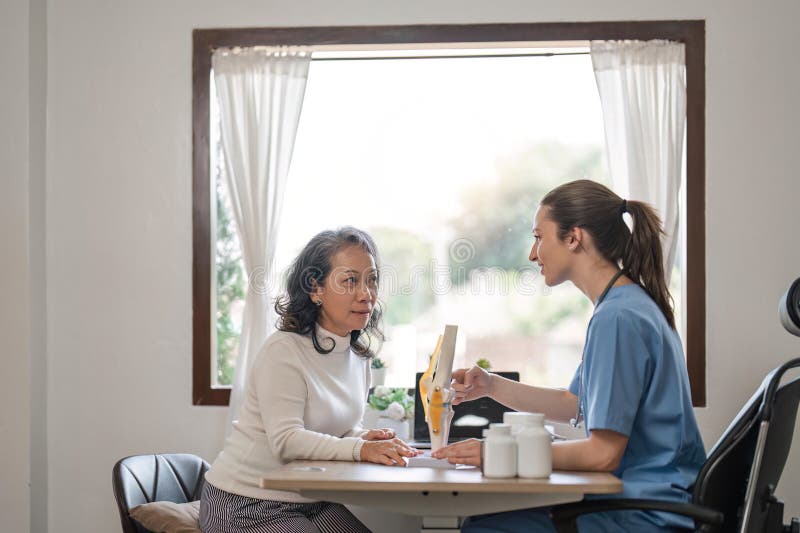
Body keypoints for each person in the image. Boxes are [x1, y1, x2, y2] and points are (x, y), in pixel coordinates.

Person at [432, 180, 706, 532]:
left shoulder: (618, 318)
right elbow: (573, 402)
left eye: (538, 237)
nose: (533, 254)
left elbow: (603, 454)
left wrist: (497, 453)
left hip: (644, 516)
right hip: (645, 502)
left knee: (484, 527)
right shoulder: (625, 306)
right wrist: (490, 385)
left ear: (573, 237)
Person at [200, 227, 422, 533]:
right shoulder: (284, 350)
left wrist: (363, 437)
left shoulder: (356, 356)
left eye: (371, 280)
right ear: (315, 289)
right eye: (350, 280)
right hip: (246, 502)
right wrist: (361, 450)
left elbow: (336, 431)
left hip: (310, 499)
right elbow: (287, 441)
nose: (366, 293)